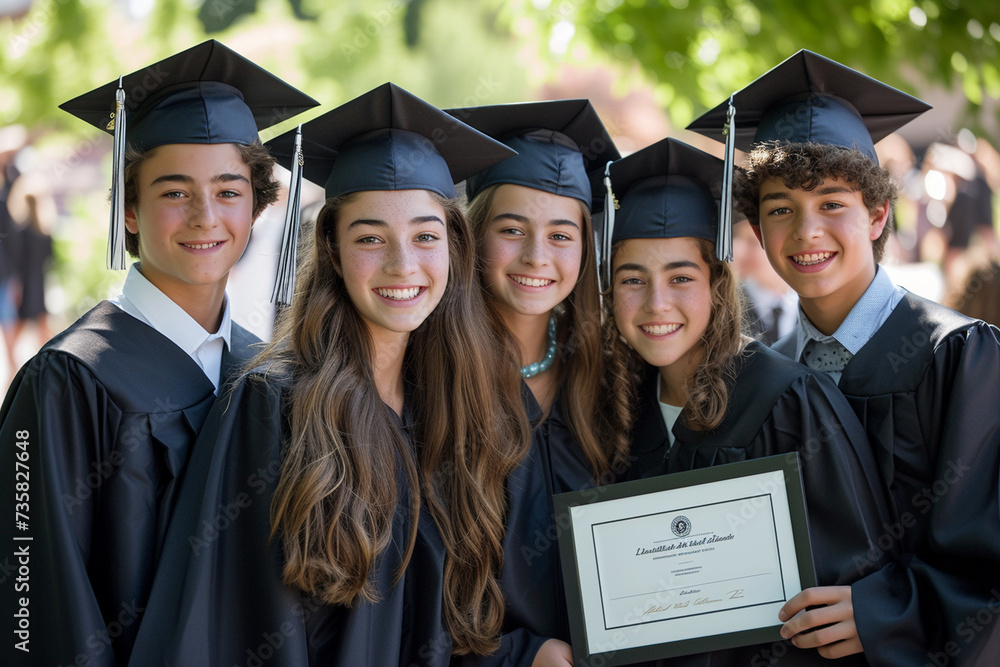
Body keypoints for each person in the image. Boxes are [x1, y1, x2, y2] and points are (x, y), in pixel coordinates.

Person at [127, 83, 538, 666]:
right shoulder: (274, 403)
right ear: (334, 251)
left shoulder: (475, 399)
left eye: (425, 236)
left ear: (455, 248)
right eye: (370, 238)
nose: (402, 265)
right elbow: (239, 622)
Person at [0, 40, 317, 666]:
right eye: (175, 192)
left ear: (257, 206)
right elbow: (32, 595)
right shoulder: (68, 380)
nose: (205, 216)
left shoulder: (266, 371)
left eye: (229, 192)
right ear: (131, 211)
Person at [693, 49, 1000, 663]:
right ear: (756, 231)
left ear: (878, 214)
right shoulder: (756, 378)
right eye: (780, 209)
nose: (807, 233)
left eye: (833, 203)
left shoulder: (959, 357)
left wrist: (883, 612)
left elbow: (988, 562)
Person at [604, 137, 891, 665]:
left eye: (681, 277)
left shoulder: (789, 400)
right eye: (631, 279)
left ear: (717, 283)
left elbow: (852, 589)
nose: (656, 303)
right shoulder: (611, 411)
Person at [447, 99, 628, 666]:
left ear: (586, 246)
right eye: (511, 228)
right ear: (474, 235)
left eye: (560, 234)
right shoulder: (430, 378)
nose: (535, 256)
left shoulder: (612, 378)